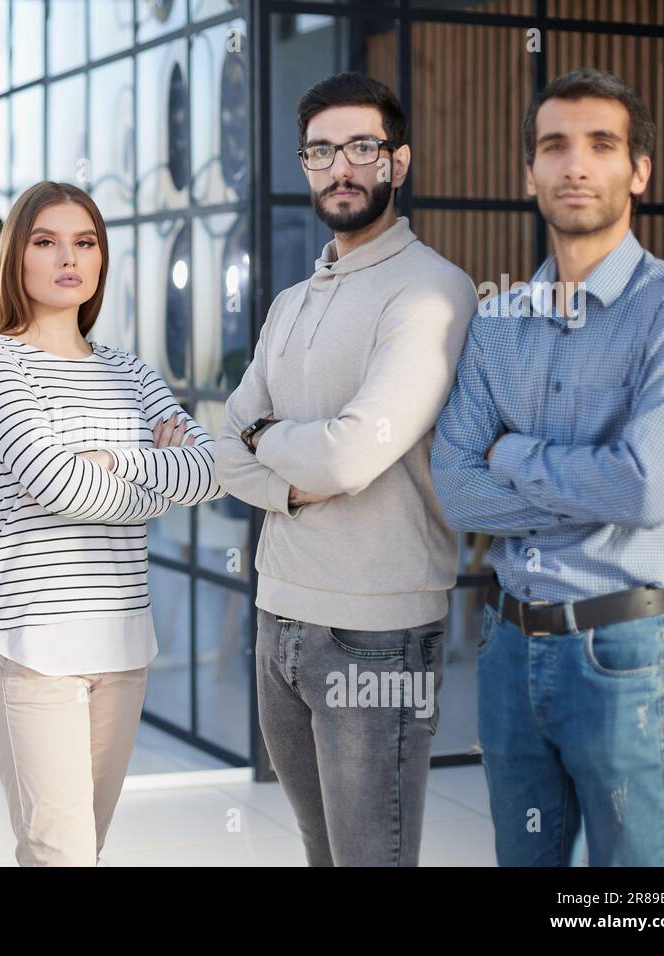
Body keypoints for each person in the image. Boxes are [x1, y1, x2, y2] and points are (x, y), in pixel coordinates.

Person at [432, 68, 664, 866]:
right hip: (508, 652)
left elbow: (652, 487)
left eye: (602, 145)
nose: (575, 165)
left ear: (637, 171)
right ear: (528, 171)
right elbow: (457, 488)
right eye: (554, 146)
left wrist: (518, 456)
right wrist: (596, 485)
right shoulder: (499, 323)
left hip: (626, 654)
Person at [214, 73, 479, 866]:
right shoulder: (289, 303)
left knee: (371, 857)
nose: (342, 168)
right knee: (320, 851)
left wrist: (271, 443)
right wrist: (292, 468)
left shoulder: (431, 290)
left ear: (399, 163)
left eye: (363, 148)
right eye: (322, 151)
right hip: (279, 617)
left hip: (378, 629)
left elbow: (352, 453)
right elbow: (226, 447)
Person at [0, 181, 226, 866]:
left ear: (102, 260)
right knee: (61, 855)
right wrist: (153, 474)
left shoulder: (130, 371)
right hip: (33, 645)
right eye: (45, 242)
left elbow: (210, 470)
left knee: (86, 849)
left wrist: (108, 457)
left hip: (123, 643)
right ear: (17, 257)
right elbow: (59, 485)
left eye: (84, 242)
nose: (67, 258)